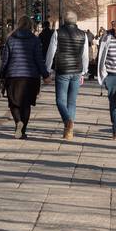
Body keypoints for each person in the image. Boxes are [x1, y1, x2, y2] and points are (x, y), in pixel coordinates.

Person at [45, 11, 88, 141]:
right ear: (76, 21)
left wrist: (47, 69)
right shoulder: (83, 34)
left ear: (64, 20)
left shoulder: (58, 32)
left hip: (63, 70)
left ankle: (67, 121)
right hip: (76, 70)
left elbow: (51, 51)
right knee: (72, 102)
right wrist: (84, 71)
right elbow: (85, 55)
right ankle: (69, 130)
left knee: (60, 101)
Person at [0, 17, 44, 138]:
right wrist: (45, 74)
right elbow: (39, 60)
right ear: (30, 26)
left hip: (13, 76)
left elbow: (5, 60)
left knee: (14, 103)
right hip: (30, 76)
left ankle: (18, 121)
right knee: (26, 104)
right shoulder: (35, 40)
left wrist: (2, 74)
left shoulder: (11, 39)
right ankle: (23, 131)